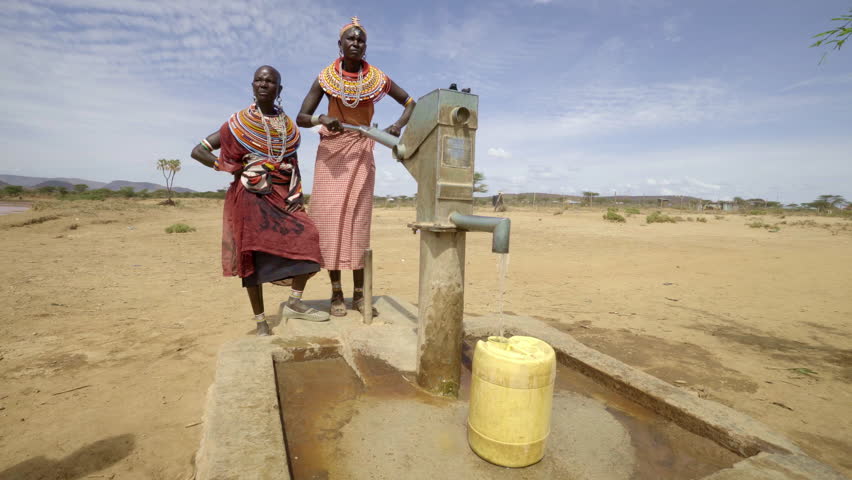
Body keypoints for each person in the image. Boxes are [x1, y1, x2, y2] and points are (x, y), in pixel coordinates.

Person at [191, 65, 329, 336]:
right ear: (253, 85)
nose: (264, 85)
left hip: (281, 194)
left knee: (310, 238)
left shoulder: (288, 127)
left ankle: (294, 302)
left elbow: (291, 161)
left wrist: (296, 194)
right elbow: (199, 151)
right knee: (252, 256)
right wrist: (232, 168)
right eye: (259, 80)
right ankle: (261, 322)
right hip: (249, 197)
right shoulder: (237, 124)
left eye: (270, 81)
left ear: (279, 89)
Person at [297, 17, 415, 317]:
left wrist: (397, 126)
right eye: (350, 39)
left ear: (366, 47)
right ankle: (336, 293)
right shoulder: (326, 77)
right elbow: (301, 116)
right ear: (340, 45)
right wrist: (322, 119)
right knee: (328, 224)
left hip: (362, 149)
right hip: (331, 154)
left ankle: (360, 295)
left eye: (361, 40)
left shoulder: (376, 78)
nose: (356, 43)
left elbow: (410, 102)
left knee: (358, 224)